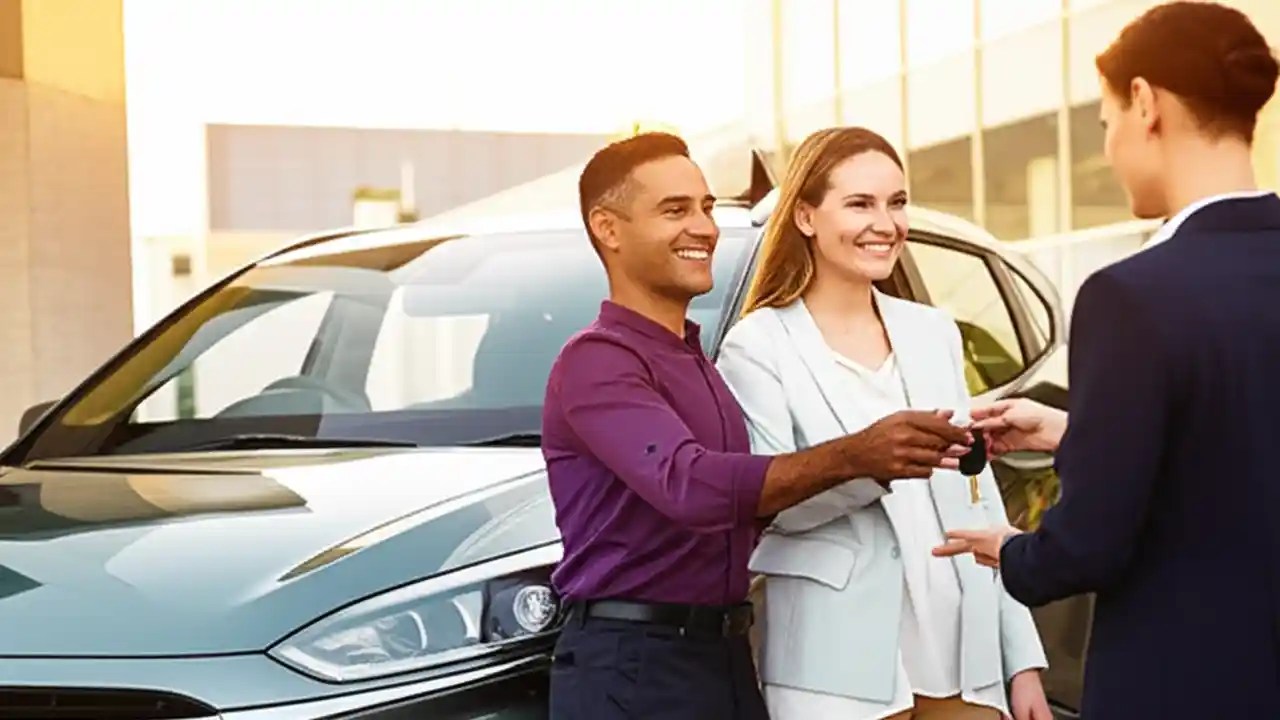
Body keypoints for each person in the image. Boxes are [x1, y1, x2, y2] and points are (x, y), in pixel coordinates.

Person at [542, 132, 974, 719]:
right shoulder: (596, 360)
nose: (703, 227)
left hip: (726, 658)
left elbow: (763, 507)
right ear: (608, 229)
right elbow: (691, 486)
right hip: (634, 667)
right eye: (675, 210)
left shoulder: (702, 363)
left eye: (706, 207)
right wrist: (859, 454)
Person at [932, 3, 1280, 718]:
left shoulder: (1133, 295)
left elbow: (1090, 543)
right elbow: (1240, 438)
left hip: (1182, 682)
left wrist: (1013, 551)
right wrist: (1074, 432)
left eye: (1105, 123)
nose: (1111, 147)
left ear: (1146, 104)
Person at [715, 126, 1051, 720]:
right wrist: (872, 462)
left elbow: (979, 501)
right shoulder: (757, 346)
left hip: (964, 658)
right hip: (834, 667)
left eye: (896, 202)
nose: (886, 222)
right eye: (860, 203)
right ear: (806, 218)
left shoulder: (933, 332)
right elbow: (771, 504)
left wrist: (1021, 661)